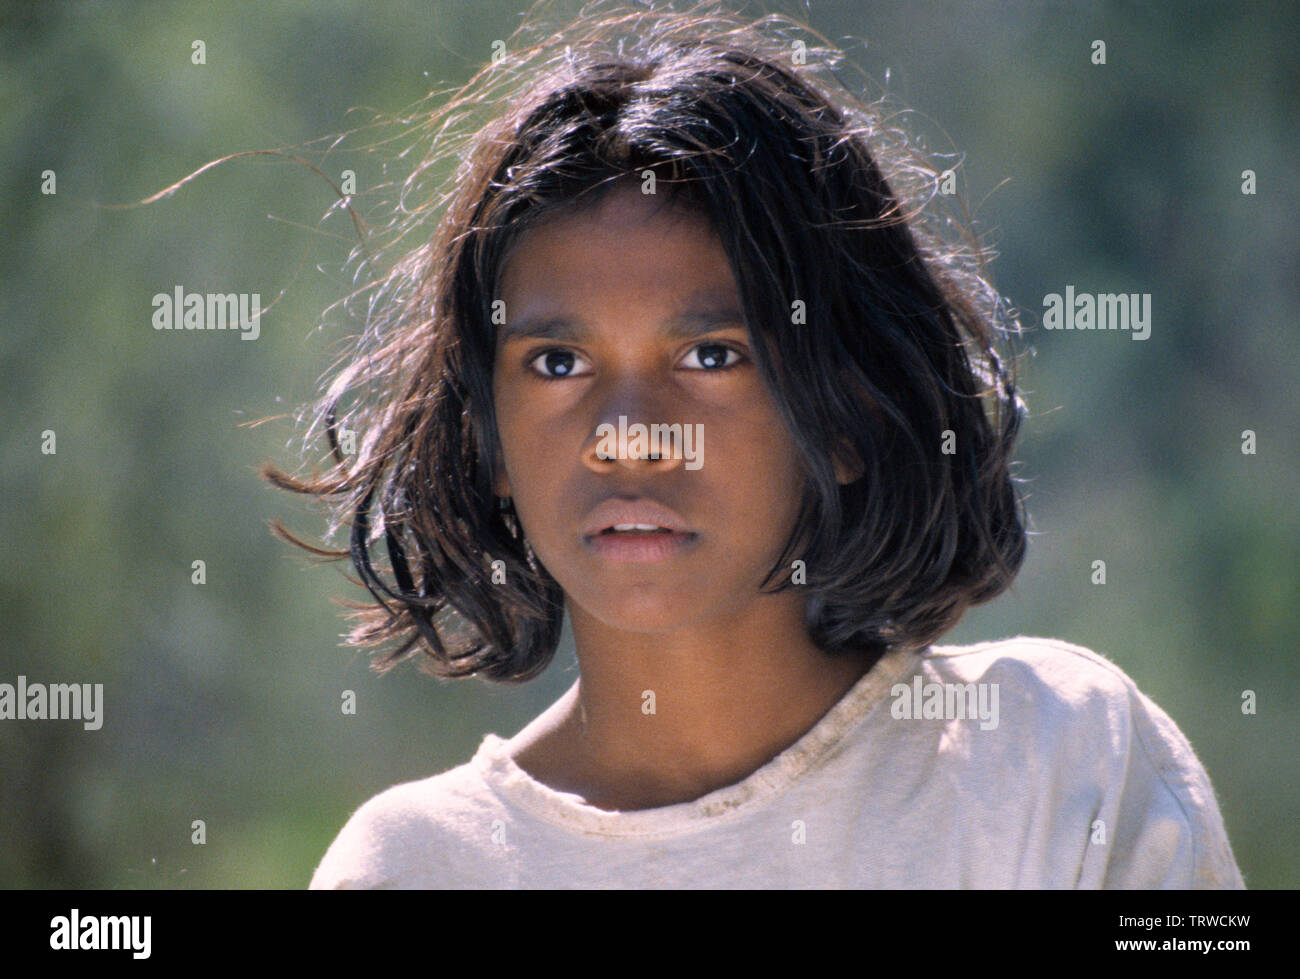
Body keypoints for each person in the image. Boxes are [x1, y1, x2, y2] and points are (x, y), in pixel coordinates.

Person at [267, 1, 1244, 888]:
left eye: (709, 353)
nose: (628, 436)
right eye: (558, 363)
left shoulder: (1060, 761)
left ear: (846, 414)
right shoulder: (412, 866)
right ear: (488, 444)